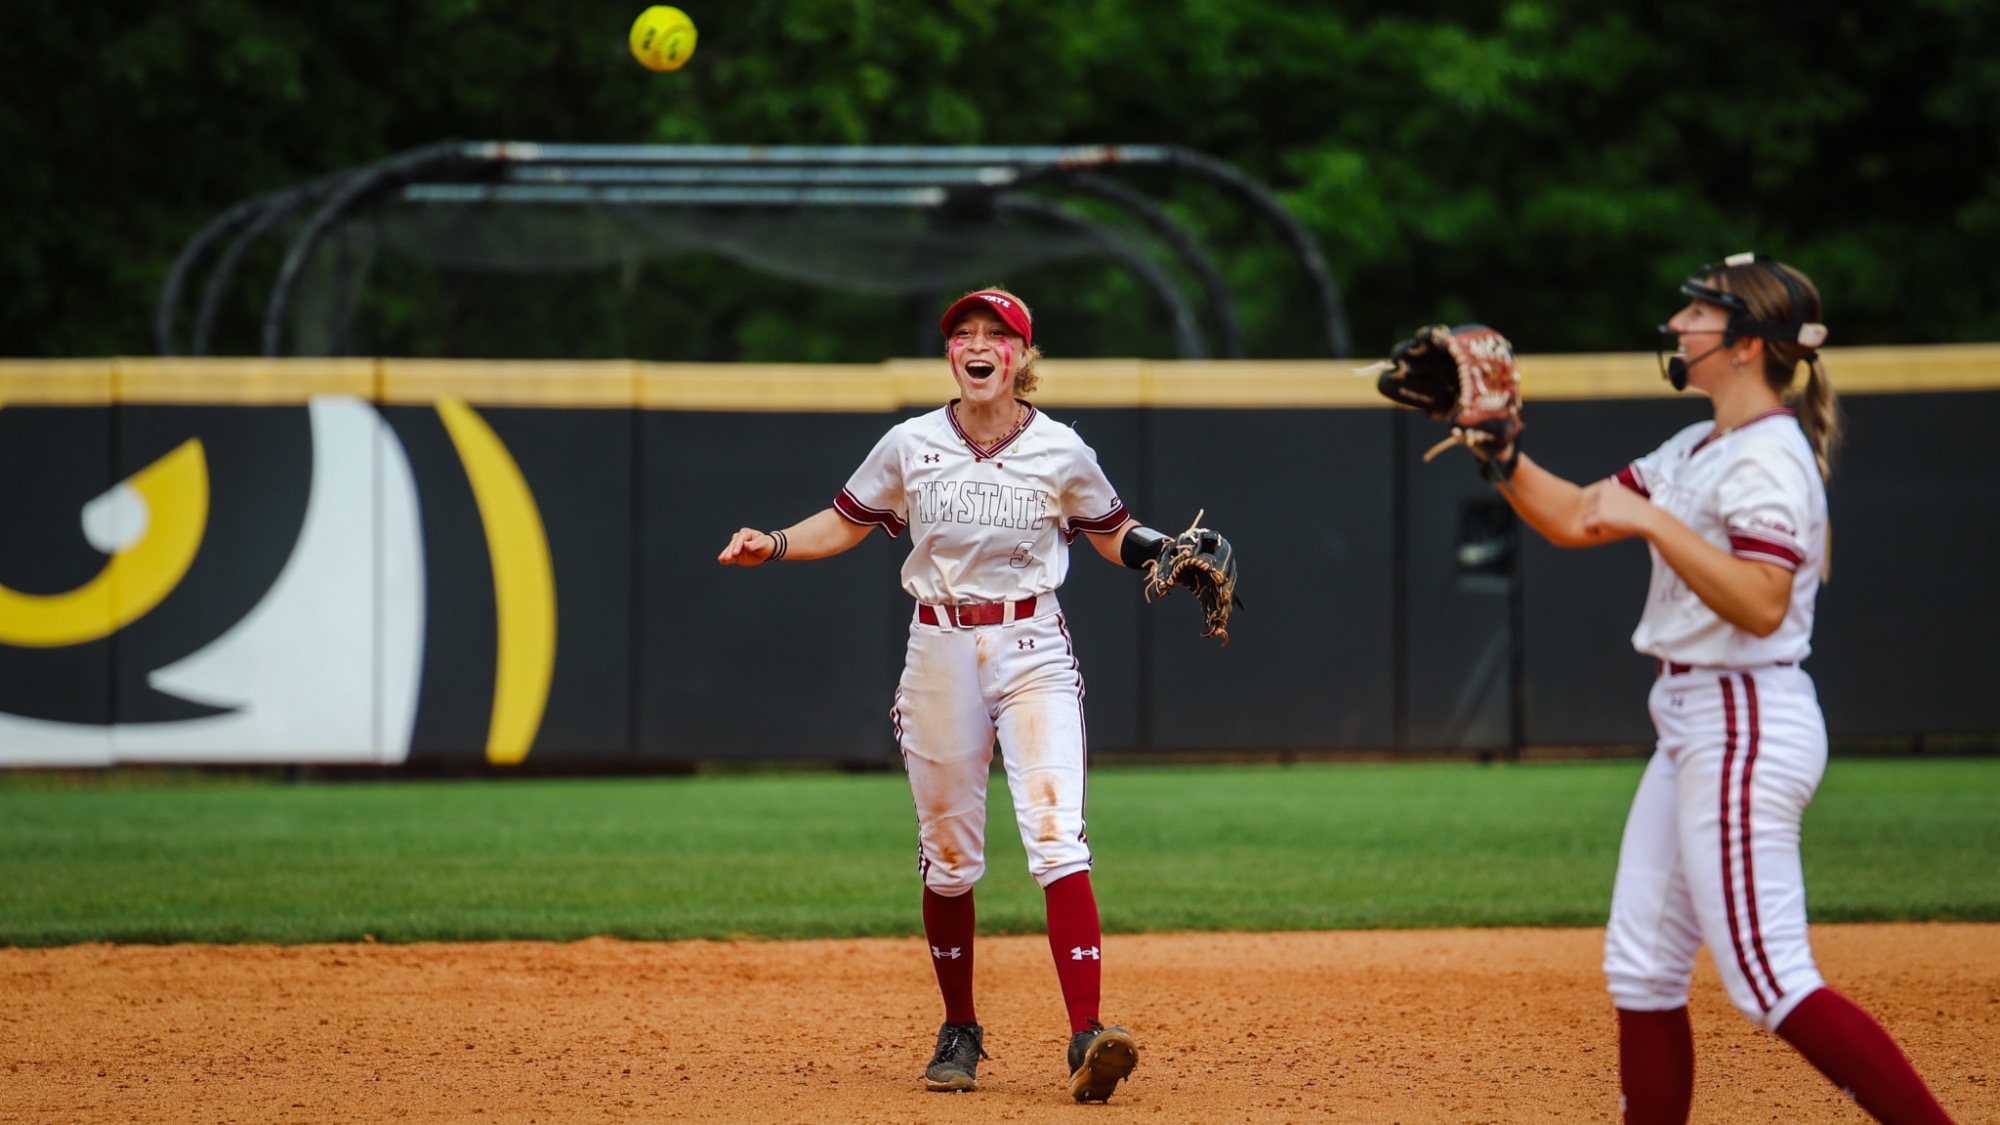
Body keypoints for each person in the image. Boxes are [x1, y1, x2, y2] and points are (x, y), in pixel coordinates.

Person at [1474, 254, 1955, 1123]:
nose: (1680, 325)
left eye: (1698, 315)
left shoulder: (1767, 458)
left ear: (1745, 346)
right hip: (1699, 719)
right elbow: (1579, 516)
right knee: (1643, 966)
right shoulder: (1702, 445)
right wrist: (1501, 452)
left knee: (1771, 977)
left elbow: (1764, 604)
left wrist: (1654, 520)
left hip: (1742, 714)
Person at [718, 287, 1180, 1103]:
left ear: (1020, 357)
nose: (976, 344)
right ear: (951, 357)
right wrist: (777, 544)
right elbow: (848, 518)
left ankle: (1087, 1033)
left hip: (1033, 643)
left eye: (994, 335)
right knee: (952, 854)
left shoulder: (1060, 449)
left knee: (1054, 830)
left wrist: (1161, 549)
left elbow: (1110, 529)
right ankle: (960, 1027)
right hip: (939, 645)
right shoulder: (911, 442)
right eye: (963, 333)